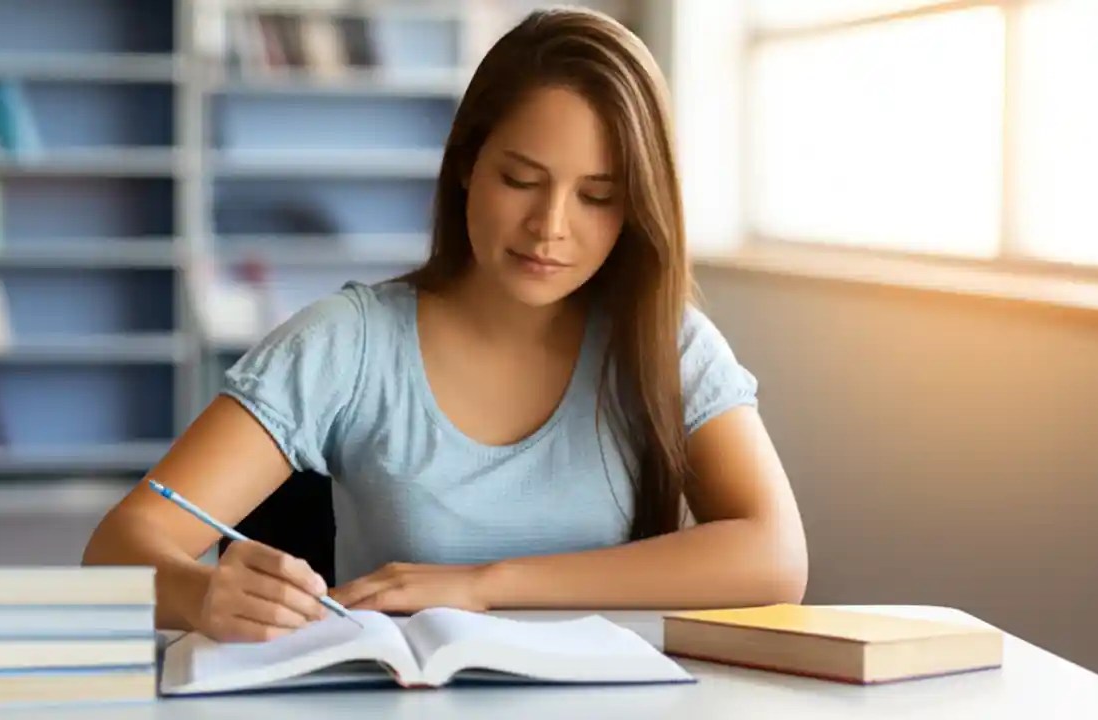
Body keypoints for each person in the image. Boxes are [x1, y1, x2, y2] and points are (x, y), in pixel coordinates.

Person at [83, 6, 807, 643]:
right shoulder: (347, 343)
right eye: (520, 180)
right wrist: (203, 592)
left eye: (597, 196)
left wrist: (486, 584)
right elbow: (118, 547)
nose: (549, 227)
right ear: (466, 164)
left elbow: (775, 556)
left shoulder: (665, 342)